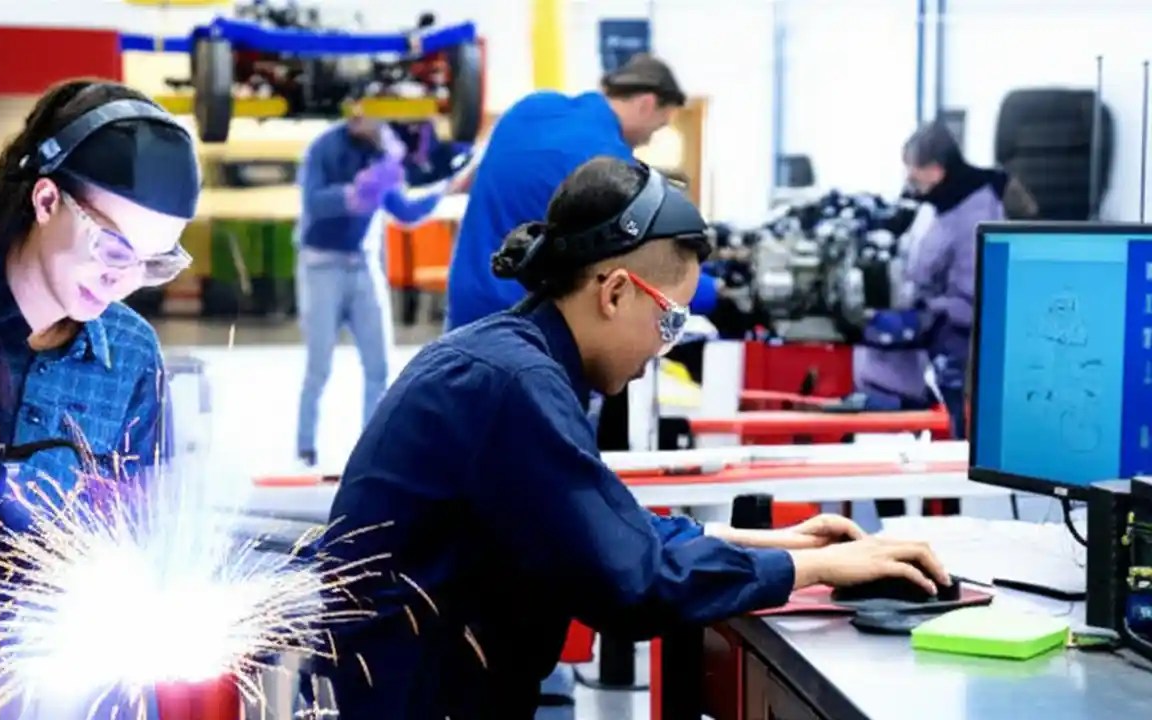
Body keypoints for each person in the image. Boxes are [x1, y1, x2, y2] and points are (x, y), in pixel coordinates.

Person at [305, 157, 949, 718]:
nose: (666, 345)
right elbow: (631, 580)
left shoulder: (507, 357)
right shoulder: (513, 382)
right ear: (614, 292)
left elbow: (593, 525)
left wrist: (773, 539)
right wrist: (815, 568)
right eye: (670, 320)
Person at [0, 78, 202, 644]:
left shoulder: (132, 354)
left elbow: (152, 530)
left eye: (151, 263)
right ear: (47, 200)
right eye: (114, 248)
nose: (122, 281)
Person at [446, 53, 723, 331]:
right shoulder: (606, 165)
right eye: (659, 125)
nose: (650, 138)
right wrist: (717, 294)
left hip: (466, 302)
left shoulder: (531, 108)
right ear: (646, 104)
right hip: (521, 325)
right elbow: (645, 264)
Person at [855, 121, 1037, 517]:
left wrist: (922, 315)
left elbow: (973, 297)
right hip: (925, 343)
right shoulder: (938, 202)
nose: (909, 177)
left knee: (947, 445)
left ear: (936, 168)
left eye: (913, 168)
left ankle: (947, 527)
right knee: (885, 423)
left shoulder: (976, 210)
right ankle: (895, 521)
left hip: (955, 349)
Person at [295, 112, 460, 467]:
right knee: (318, 366)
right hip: (321, 266)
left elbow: (404, 209)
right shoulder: (326, 146)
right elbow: (313, 201)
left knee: (380, 365)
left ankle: (374, 447)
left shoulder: (382, 149)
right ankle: (305, 448)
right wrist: (350, 194)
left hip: (363, 264)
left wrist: (445, 188)